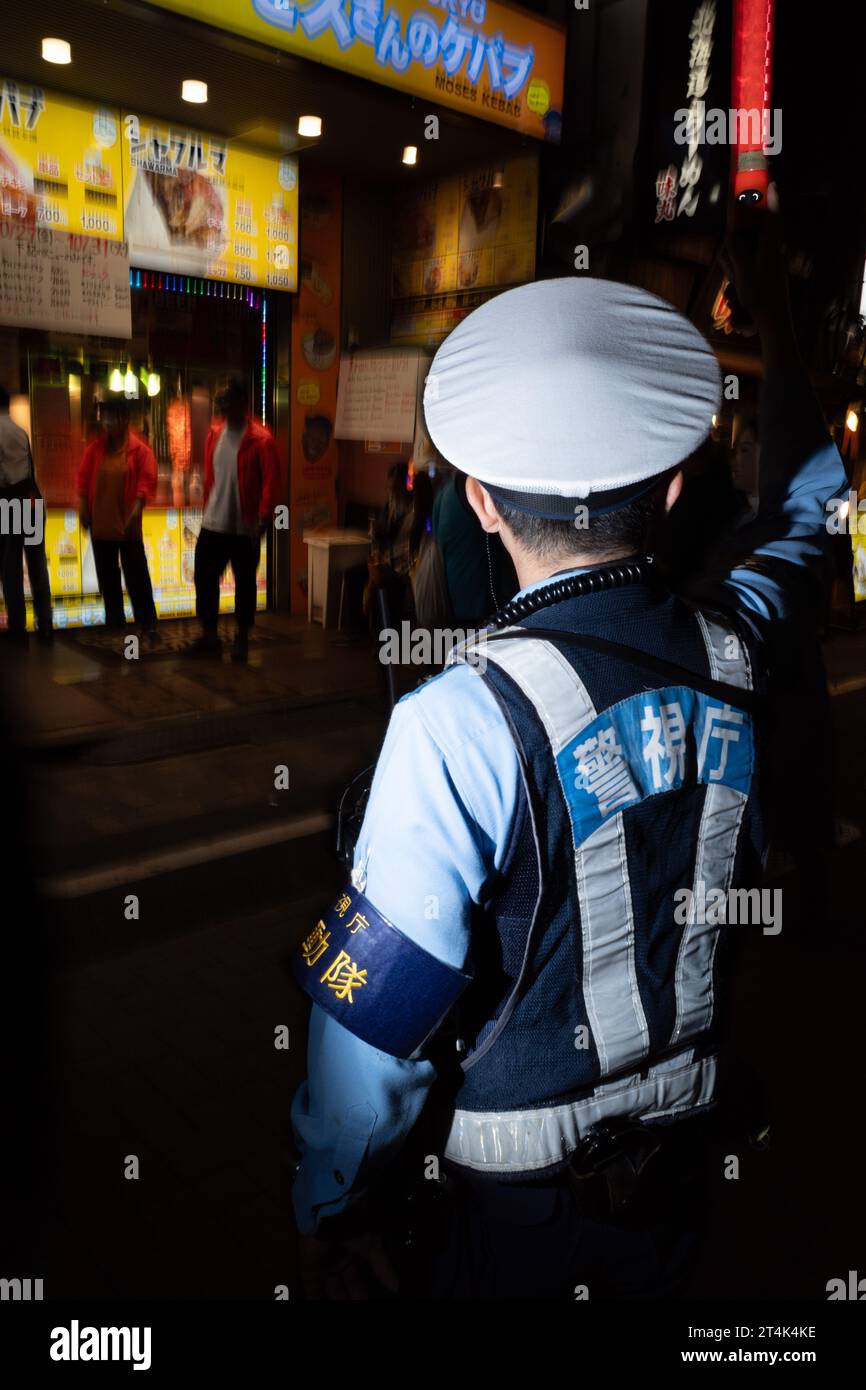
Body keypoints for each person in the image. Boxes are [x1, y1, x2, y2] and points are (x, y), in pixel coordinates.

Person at [288, 213, 846, 1300]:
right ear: (675, 487)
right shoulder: (740, 643)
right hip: (682, 1196)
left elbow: (370, 1030)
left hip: (512, 1230)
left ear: (482, 503)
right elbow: (805, 507)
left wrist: (330, 1203)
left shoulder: (455, 722)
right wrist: (773, 320)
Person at [187, 378, 278, 663]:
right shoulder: (215, 434)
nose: (224, 408)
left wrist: (264, 520)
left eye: (229, 402)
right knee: (204, 578)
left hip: (244, 528)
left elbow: (271, 484)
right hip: (213, 524)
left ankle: (241, 638)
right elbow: (213, 478)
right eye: (222, 403)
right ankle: (210, 636)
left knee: (245, 586)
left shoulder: (261, 440)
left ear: (243, 403)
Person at [77, 397, 158, 640]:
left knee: (137, 576)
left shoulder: (139, 450)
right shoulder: (95, 449)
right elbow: (82, 481)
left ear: (124, 418)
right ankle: (115, 623)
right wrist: (82, 507)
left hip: (127, 525)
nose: (107, 422)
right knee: (108, 578)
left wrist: (136, 508)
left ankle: (148, 624)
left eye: (111, 416)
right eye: (105, 416)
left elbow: (147, 483)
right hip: (101, 524)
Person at [0, 385, 53, 641]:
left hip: (11, 504)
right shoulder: (19, 431)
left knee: (11, 566)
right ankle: (45, 624)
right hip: (31, 503)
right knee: (36, 564)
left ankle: (18, 629)